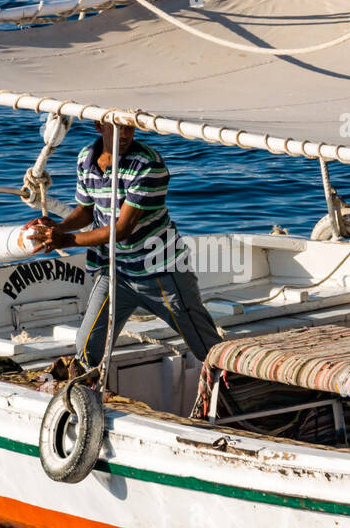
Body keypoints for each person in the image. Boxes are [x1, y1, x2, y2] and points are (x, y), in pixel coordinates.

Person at [28, 120, 222, 373]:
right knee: (87, 347)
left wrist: (65, 241)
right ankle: (88, 396)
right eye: (118, 127)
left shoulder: (148, 164)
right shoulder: (86, 157)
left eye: (130, 127)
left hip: (161, 274)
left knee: (206, 347)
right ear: (99, 126)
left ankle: (242, 391)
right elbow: (86, 211)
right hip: (113, 272)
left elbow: (122, 229)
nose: (126, 134)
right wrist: (57, 229)